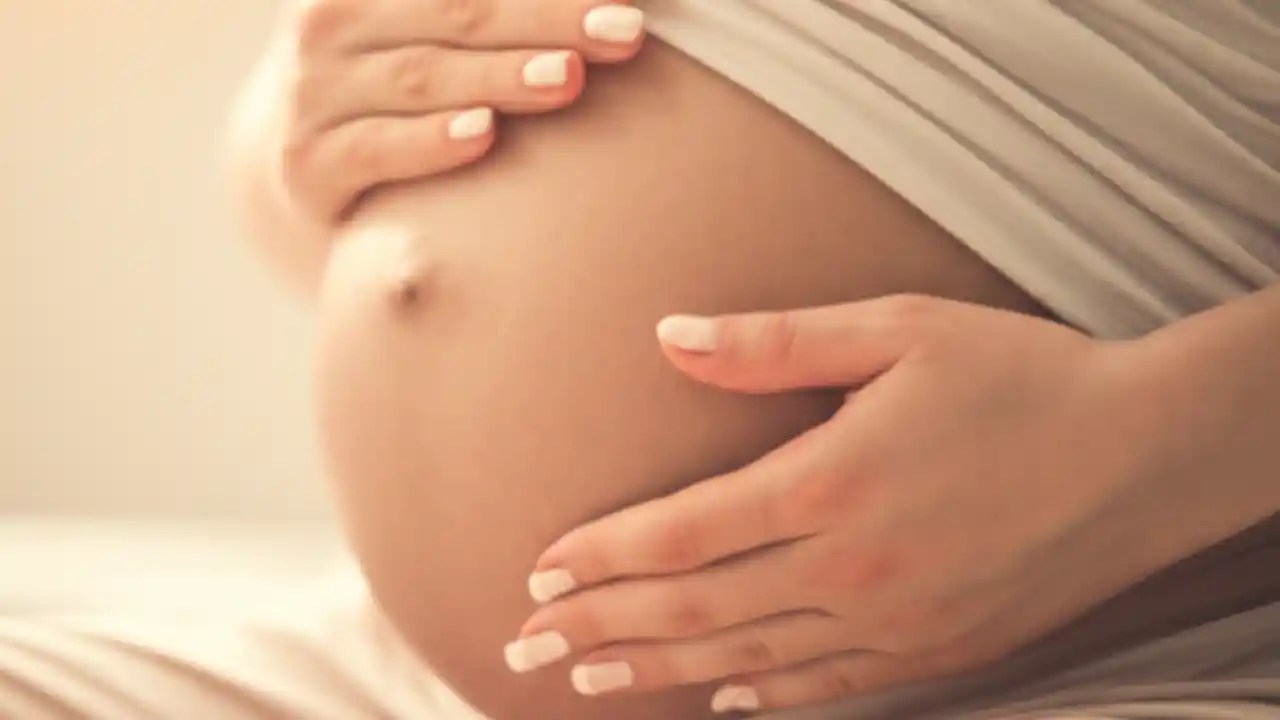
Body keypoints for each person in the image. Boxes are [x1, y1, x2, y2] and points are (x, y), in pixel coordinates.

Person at [2, 1, 1275, 719]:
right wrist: (311, 121)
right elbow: (314, 207)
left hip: (1128, 656)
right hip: (403, 675)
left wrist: (1164, 441)